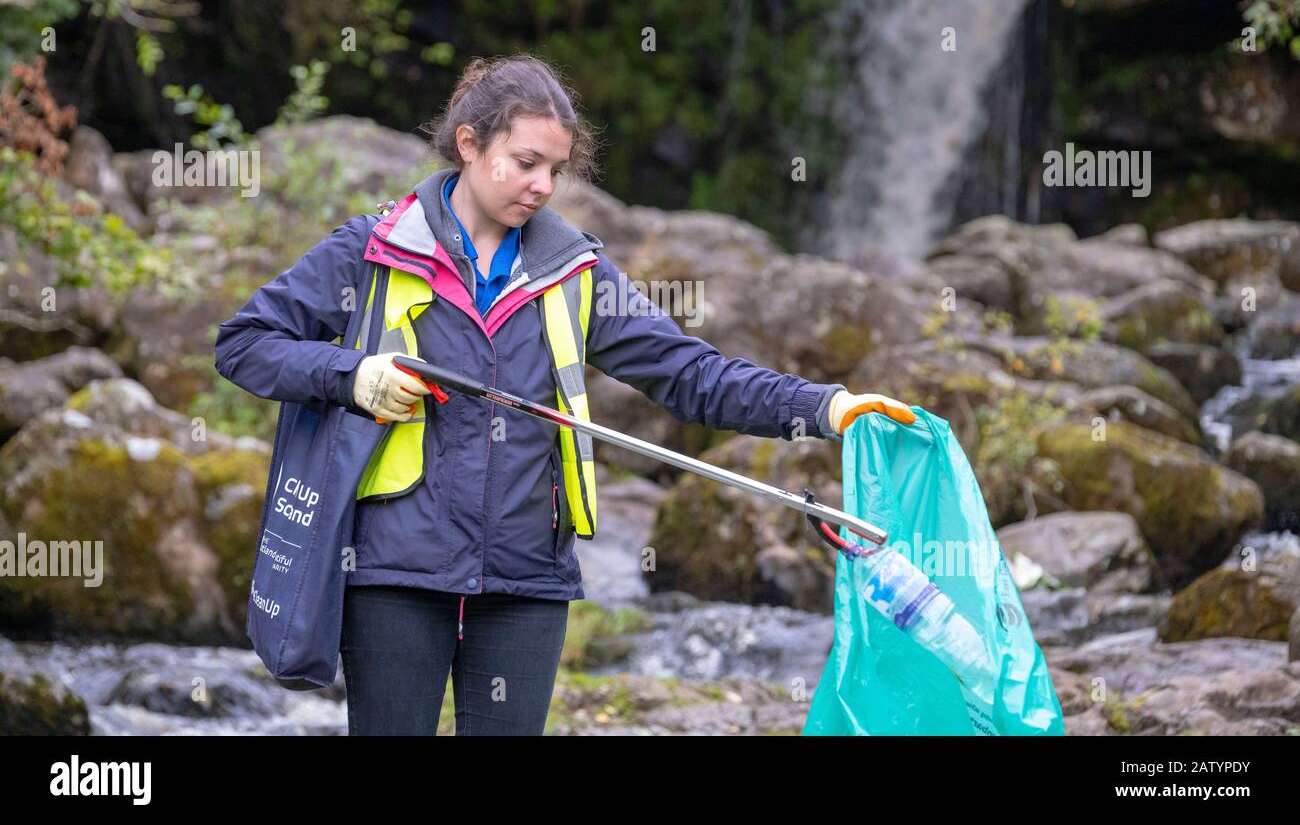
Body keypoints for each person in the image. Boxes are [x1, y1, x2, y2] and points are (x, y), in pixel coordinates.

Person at [213, 53, 914, 736]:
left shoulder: (578, 272)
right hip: (396, 576)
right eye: (526, 163)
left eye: (556, 168)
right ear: (469, 143)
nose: (544, 185)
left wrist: (827, 408)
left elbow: (692, 376)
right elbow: (243, 343)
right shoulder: (368, 250)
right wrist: (353, 375)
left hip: (528, 580)